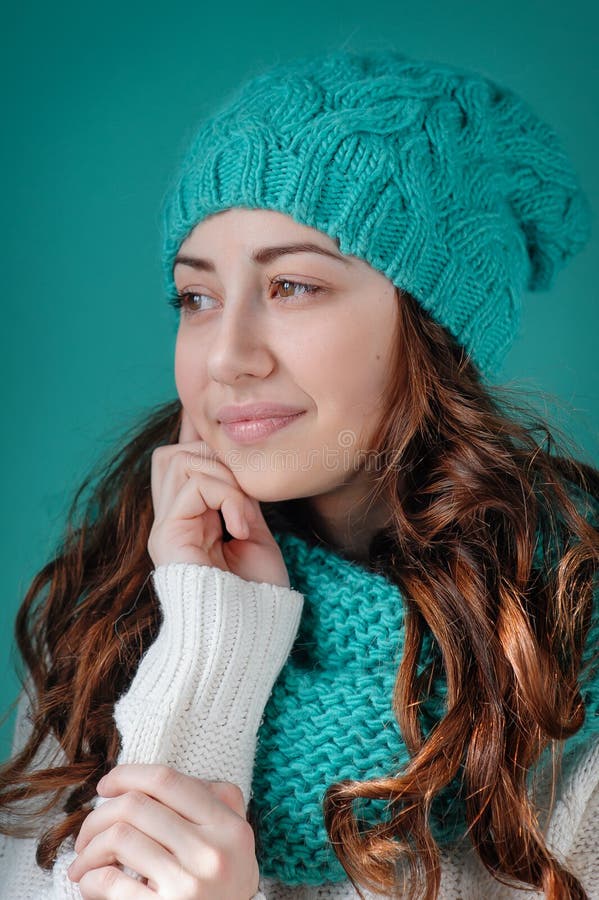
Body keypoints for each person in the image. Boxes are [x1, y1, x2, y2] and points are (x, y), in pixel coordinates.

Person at [0, 46, 597, 900]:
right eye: (195, 298)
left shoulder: (565, 653)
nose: (228, 357)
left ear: (436, 326)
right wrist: (209, 636)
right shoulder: (106, 624)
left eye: (292, 286)